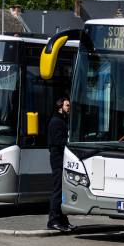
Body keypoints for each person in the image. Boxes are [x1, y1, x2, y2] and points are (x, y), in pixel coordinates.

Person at [47, 97, 75, 232]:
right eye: (67, 106)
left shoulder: (61, 120)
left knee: (63, 191)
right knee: (57, 191)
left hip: (61, 160)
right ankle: (53, 221)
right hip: (58, 160)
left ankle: (63, 220)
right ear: (60, 107)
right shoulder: (56, 121)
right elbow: (59, 142)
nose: (69, 108)